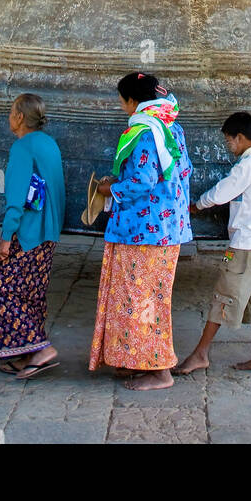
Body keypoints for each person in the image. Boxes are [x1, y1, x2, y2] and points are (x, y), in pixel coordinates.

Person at [89, 71, 193, 392]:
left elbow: (142, 181)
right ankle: (134, 358)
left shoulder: (145, 133)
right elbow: (184, 169)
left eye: (123, 101)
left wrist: (111, 190)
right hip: (165, 230)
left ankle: (160, 371)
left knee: (144, 300)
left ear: (133, 101)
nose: (122, 107)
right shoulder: (171, 126)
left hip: (143, 234)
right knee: (139, 298)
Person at [174, 110, 251, 376]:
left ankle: (200, 354)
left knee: (223, 295)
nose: (228, 146)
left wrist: (197, 204)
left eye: (229, 141)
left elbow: (223, 191)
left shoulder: (246, 166)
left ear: (240, 138)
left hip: (246, 244)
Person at [0, 93, 65, 379]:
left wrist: (6, 237)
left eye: (11, 112)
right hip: (49, 232)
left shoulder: (22, 148)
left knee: (5, 290)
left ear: (19, 117)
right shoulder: (48, 143)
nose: (9, 116)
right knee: (32, 293)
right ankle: (27, 351)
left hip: (28, 233)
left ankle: (41, 349)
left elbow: (16, 199)